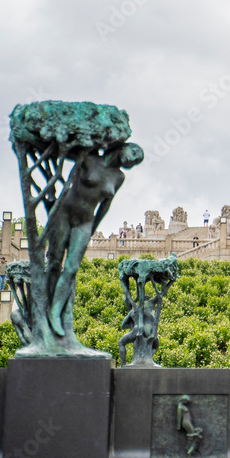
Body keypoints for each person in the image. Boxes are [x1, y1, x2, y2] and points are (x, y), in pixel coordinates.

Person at [47, 143, 144, 337]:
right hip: (65, 213)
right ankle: (45, 306)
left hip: (85, 221)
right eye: (134, 152)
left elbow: (105, 205)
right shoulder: (90, 158)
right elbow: (61, 152)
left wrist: (93, 228)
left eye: (137, 160)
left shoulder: (118, 177)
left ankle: (55, 313)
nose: (133, 159)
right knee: (55, 262)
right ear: (123, 146)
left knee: (72, 267)